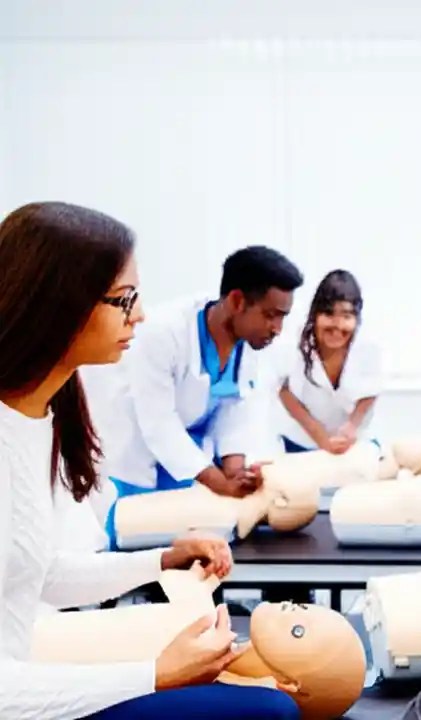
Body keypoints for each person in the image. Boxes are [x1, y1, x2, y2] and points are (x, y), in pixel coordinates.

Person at [0, 201, 299, 719]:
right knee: (269, 712)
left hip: (22, 681)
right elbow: (158, 424)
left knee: (267, 703)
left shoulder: (38, 420)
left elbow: (35, 573)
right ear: (56, 303)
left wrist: (162, 559)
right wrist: (155, 675)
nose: (138, 313)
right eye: (123, 299)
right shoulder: (165, 337)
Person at [101, 245, 303, 549]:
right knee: (129, 554)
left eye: (283, 318)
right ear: (237, 300)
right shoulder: (164, 333)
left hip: (187, 463)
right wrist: (219, 482)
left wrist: (235, 471)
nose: (277, 329)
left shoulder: (251, 345)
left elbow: (235, 409)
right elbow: (158, 423)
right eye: (270, 315)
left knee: (185, 556)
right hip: (137, 458)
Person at [275, 269, 383, 455]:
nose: (338, 325)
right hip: (303, 441)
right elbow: (285, 392)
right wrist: (321, 438)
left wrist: (351, 426)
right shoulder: (293, 343)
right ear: (315, 314)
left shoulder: (369, 345)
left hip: (354, 441)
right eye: (329, 314)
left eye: (347, 316)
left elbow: (370, 390)